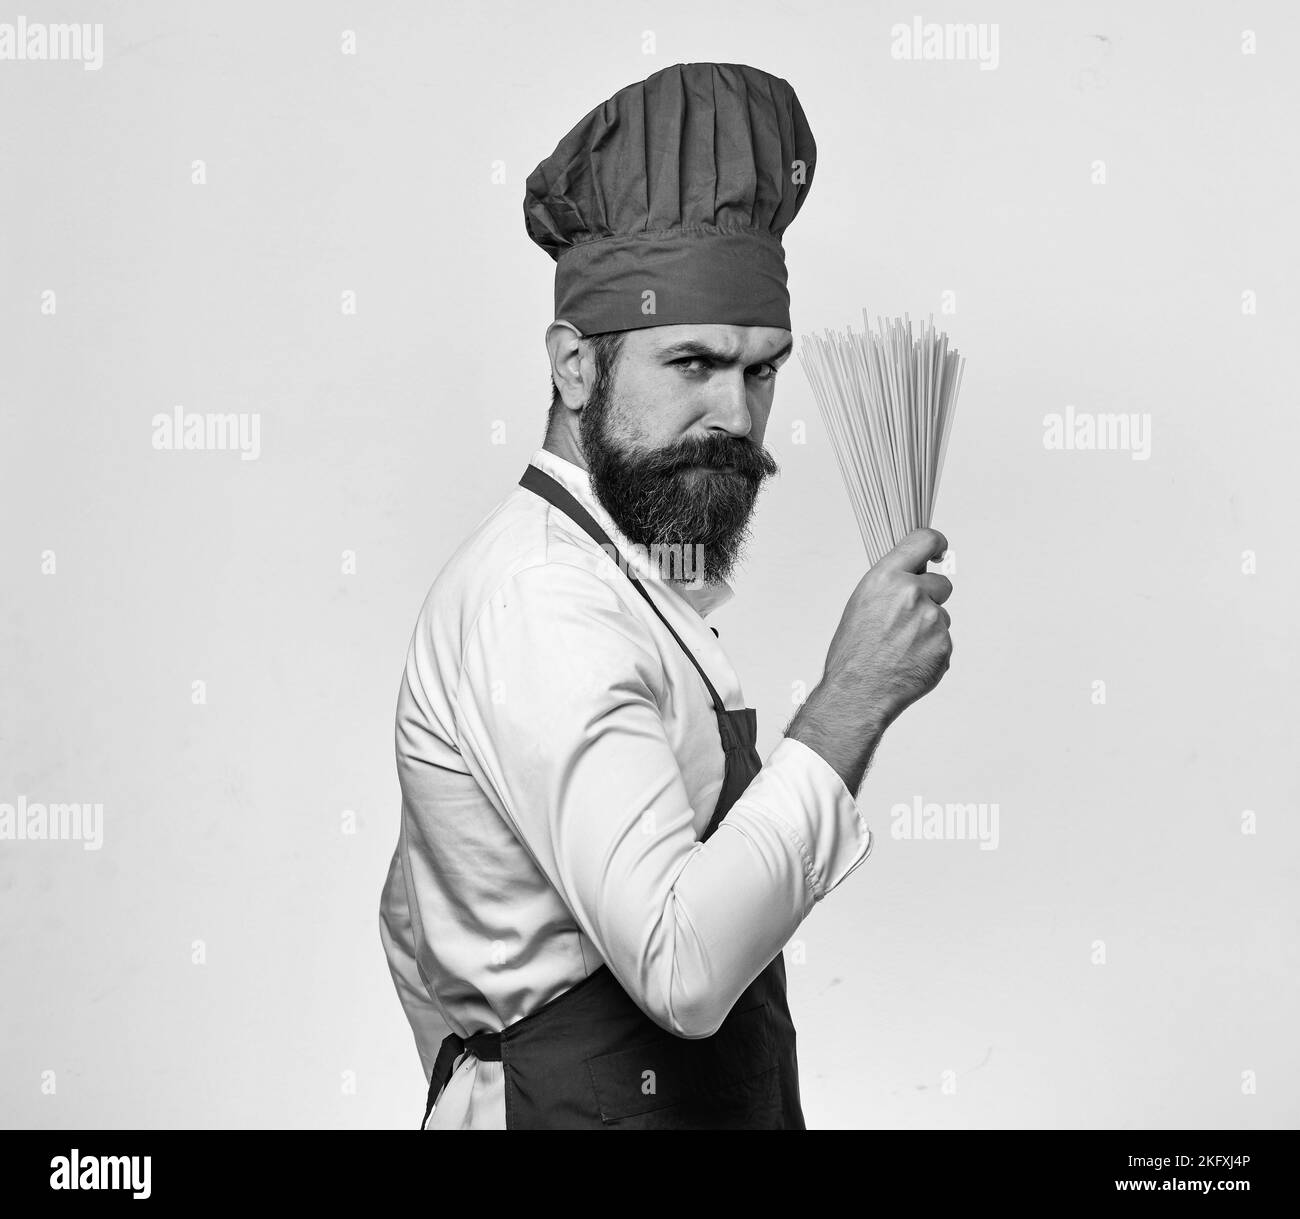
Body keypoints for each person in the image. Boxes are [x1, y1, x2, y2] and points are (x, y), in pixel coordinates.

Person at [378, 61, 954, 1130]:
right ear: (574, 367)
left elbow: (411, 917)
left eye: (759, 369)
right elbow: (684, 969)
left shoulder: (618, 576)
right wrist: (854, 697)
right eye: (690, 361)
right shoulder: (542, 603)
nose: (733, 412)